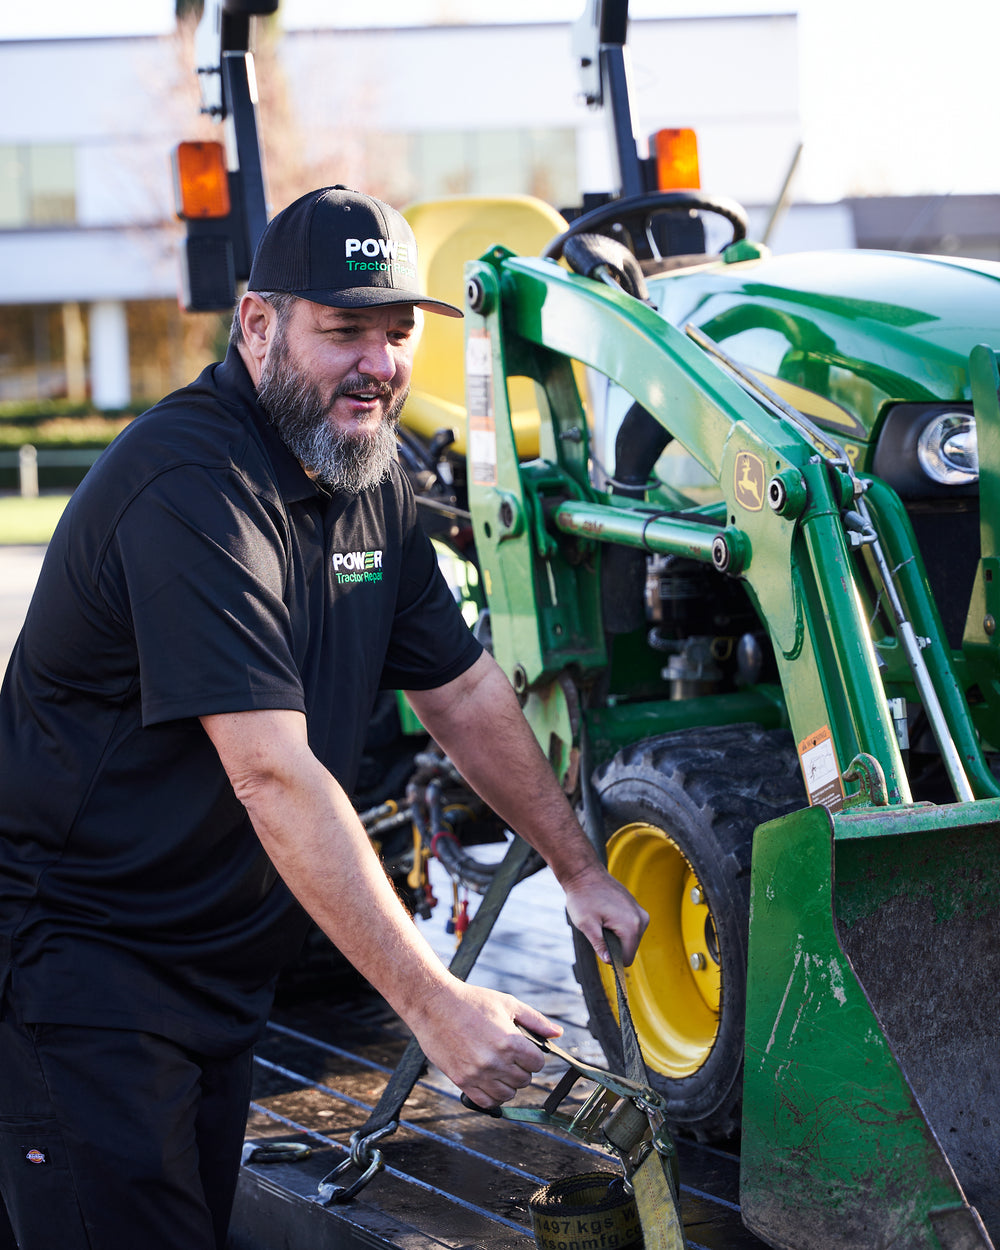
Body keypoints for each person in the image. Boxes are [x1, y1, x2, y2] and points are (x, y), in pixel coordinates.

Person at [0, 186, 647, 1250]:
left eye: (397, 333)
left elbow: (462, 690)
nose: (379, 363)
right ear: (258, 323)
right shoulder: (191, 488)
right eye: (344, 330)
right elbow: (270, 771)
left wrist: (578, 869)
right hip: (84, 965)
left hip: (216, 969)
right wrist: (433, 1004)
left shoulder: (368, 475)